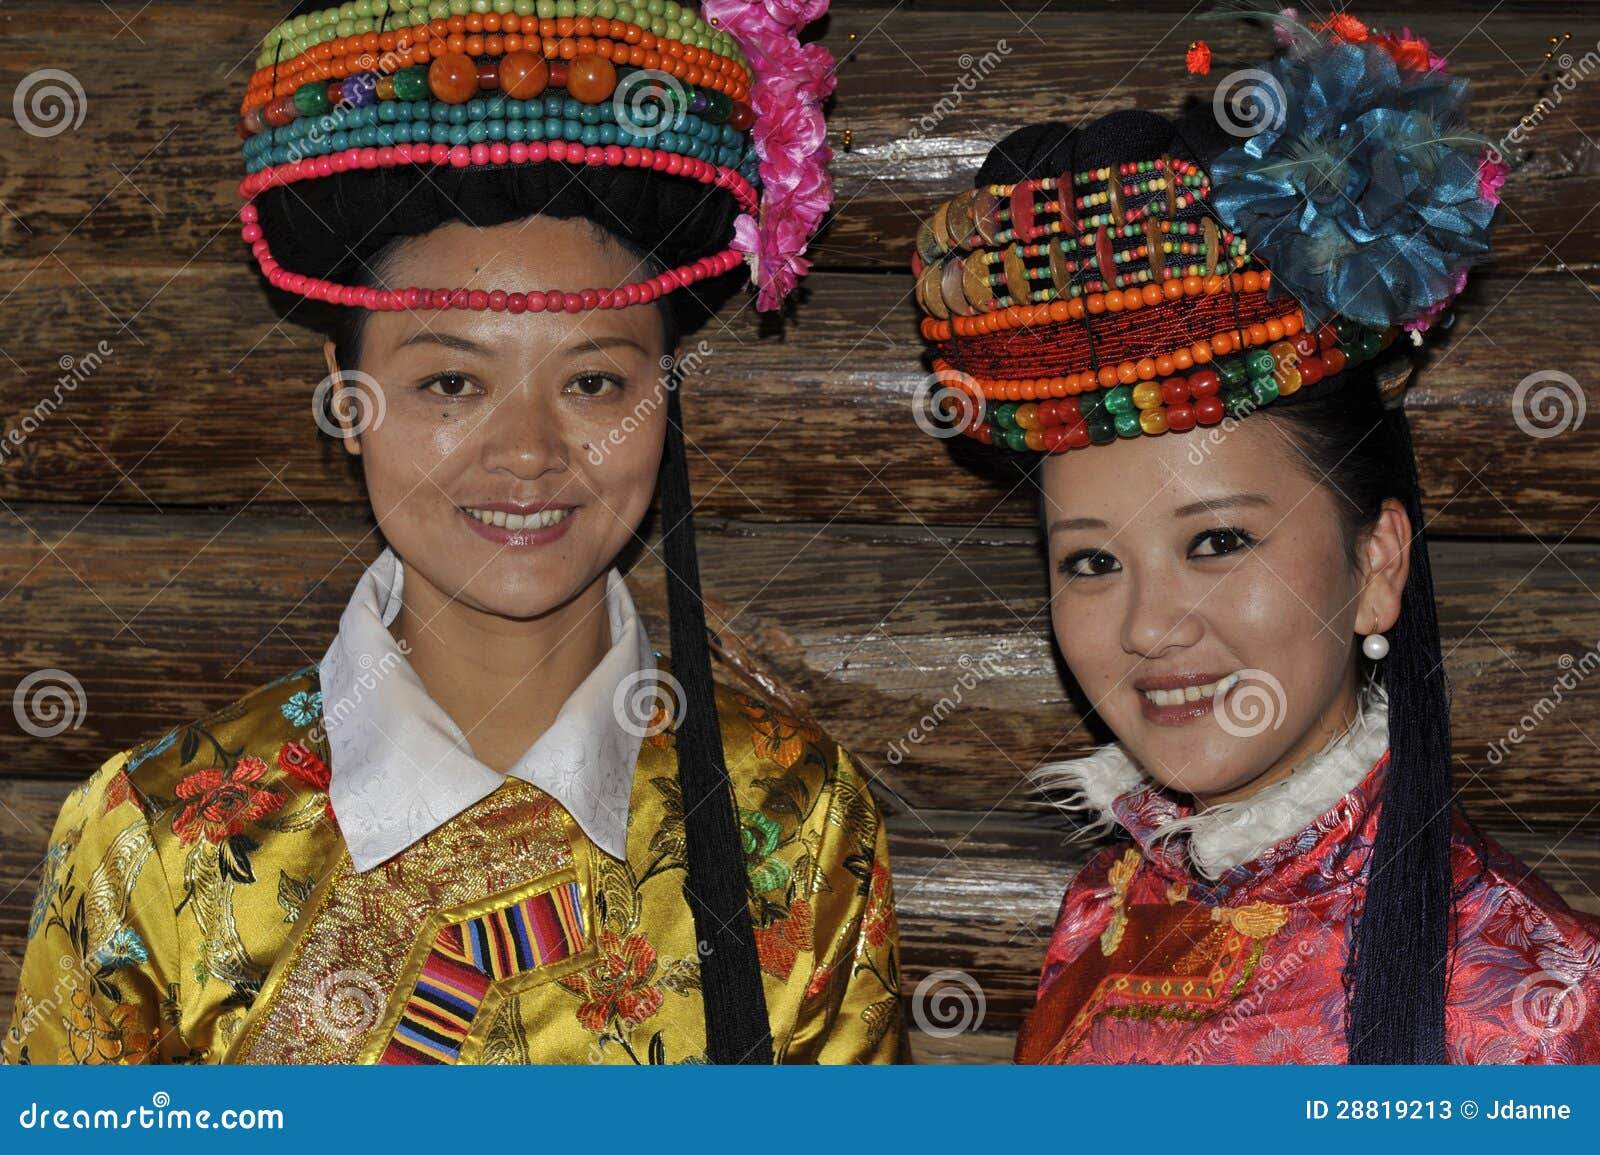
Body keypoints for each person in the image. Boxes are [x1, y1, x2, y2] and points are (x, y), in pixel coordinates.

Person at [4, 0, 906, 1066]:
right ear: (346, 398)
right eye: (449, 383)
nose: (526, 452)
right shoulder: (151, 839)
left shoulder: (798, 822)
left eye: (592, 382)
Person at [906, 11, 1600, 1063]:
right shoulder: (1102, 912)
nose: (1148, 628)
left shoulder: (1537, 1003)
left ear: (1377, 564)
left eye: (1218, 542)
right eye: (1091, 561)